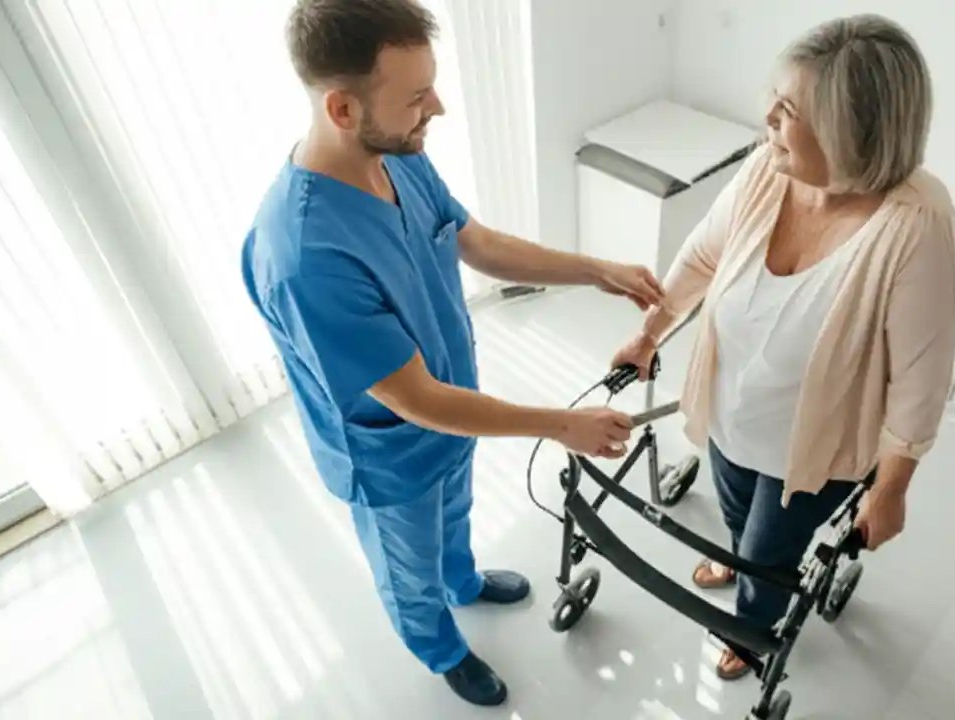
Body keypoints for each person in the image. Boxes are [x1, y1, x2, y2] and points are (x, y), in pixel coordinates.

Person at [242, 0, 665, 707]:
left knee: (455, 516)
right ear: (342, 110)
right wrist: (564, 425)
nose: (436, 107)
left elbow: (478, 243)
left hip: (455, 415)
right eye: (416, 97)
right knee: (410, 568)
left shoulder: (397, 157)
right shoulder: (306, 255)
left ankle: (462, 581)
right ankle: (440, 646)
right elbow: (419, 402)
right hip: (390, 451)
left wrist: (596, 269)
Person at [612, 14, 955, 681]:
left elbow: (921, 380)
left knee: (772, 551)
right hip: (731, 408)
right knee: (735, 508)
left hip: (813, 450)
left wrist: (891, 489)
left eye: (788, 109)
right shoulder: (770, 167)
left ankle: (752, 623)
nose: (766, 116)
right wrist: (650, 332)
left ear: (849, 130)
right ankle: (736, 556)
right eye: (772, 97)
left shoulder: (919, 226)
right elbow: (703, 257)